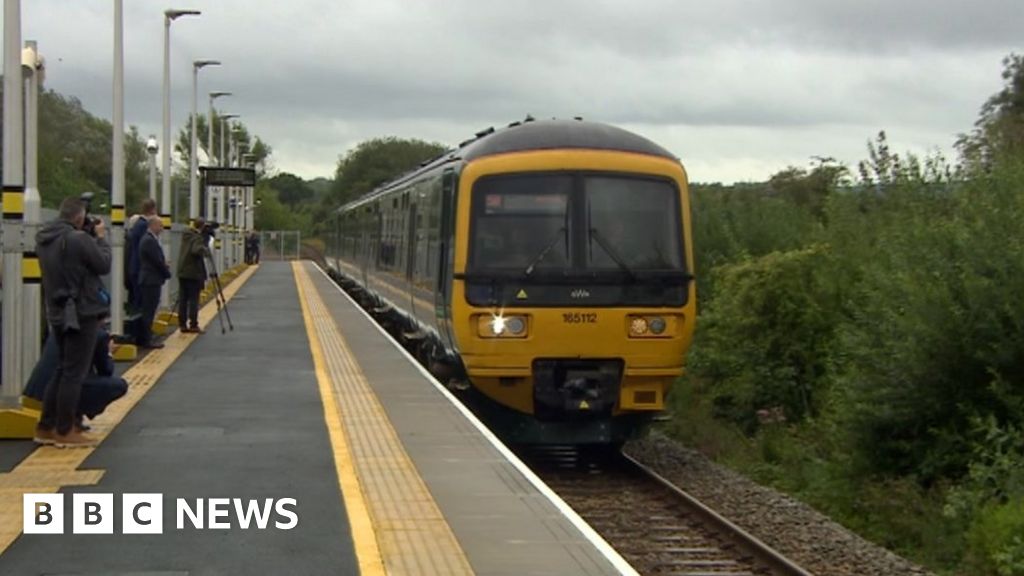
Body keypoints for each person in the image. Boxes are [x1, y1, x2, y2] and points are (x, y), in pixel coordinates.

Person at [35, 197, 112, 447]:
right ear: (79, 217)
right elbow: (103, 264)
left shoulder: (44, 238)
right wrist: (100, 238)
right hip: (81, 312)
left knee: (62, 369)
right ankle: (65, 430)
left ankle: (45, 426)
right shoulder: (78, 239)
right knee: (74, 374)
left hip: (57, 310)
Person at [24, 326, 129, 442]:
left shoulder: (61, 327)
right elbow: (106, 370)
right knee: (118, 385)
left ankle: (53, 424)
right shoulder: (96, 333)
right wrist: (108, 352)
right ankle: (66, 427)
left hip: (37, 388)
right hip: (60, 387)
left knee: (73, 375)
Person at [137, 216, 171, 349]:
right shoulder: (149, 241)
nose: (162, 228)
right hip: (150, 280)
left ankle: (146, 336)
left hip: (149, 279)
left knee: (149, 309)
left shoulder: (147, 239)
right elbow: (157, 261)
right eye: (160, 225)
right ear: (153, 225)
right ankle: (147, 339)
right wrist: (166, 272)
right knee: (149, 310)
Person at [177, 217, 210, 334]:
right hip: (193, 272)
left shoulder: (186, 235)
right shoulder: (197, 237)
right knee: (193, 300)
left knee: (183, 299)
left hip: (182, 271)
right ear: (202, 226)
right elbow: (196, 250)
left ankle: (182, 324)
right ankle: (193, 324)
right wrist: (205, 249)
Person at [126, 198, 157, 310]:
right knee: (142, 303)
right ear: (152, 210)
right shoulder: (144, 226)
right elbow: (147, 248)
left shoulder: (137, 224)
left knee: (137, 300)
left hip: (135, 266)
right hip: (140, 268)